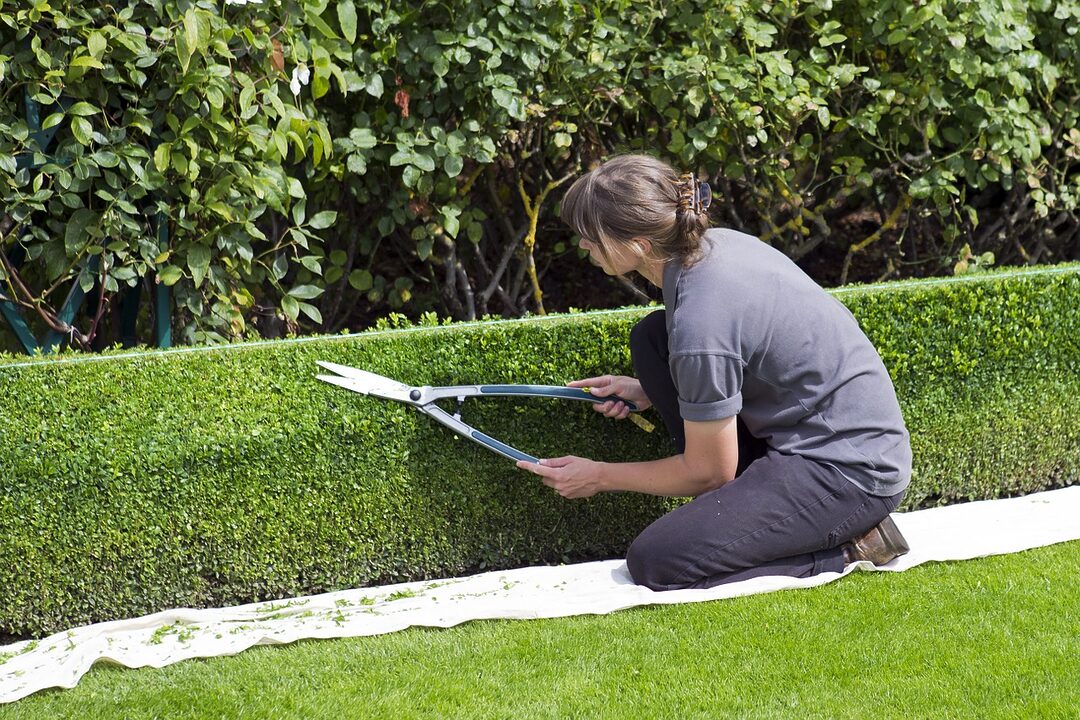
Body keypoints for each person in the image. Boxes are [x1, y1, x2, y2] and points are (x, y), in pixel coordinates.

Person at [516, 154, 912, 591]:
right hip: (823, 435)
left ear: (640, 244)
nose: (583, 247)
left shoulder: (701, 323)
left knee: (657, 562)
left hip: (848, 472)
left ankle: (851, 547)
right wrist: (649, 389)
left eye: (590, 237)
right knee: (651, 339)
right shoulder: (712, 246)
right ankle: (749, 517)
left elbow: (709, 473)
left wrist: (600, 475)